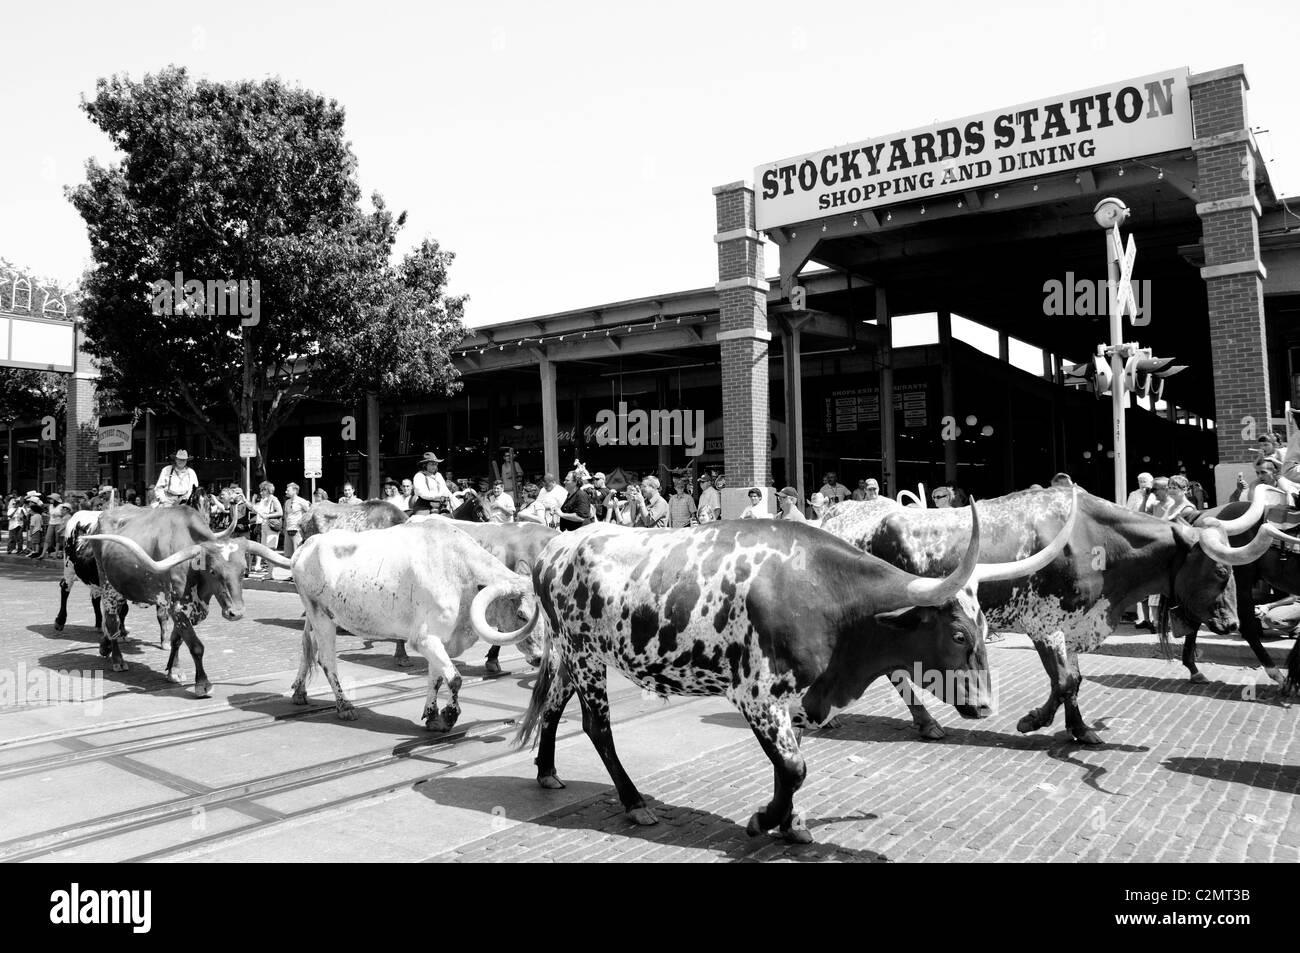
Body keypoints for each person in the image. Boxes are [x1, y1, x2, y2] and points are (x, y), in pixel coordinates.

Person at [250, 482, 283, 576]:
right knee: (264, 551)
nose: (261, 492)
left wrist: (267, 516)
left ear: (268, 490)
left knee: (270, 551)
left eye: (263, 490)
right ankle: (269, 573)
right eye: (261, 490)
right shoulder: (263, 500)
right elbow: (254, 509)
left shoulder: (274, 499)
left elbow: (280, 512)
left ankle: (270, 573)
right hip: (264, 526)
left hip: (271, 526)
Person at [282, 482, 311, 563]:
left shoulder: (302, 501)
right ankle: (292, 574)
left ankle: (299, 574)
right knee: (289, 555)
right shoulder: (287, 502)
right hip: (288, 529)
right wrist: (284, 528)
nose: (286, 492)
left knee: (297, 553)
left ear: (294, 491)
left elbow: (309, 512)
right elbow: (286, 515)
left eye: (288, 490)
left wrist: (304, 525)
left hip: (297, 530)